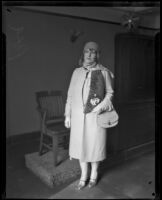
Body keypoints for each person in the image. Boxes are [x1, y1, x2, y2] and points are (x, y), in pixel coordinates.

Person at [64, 41, 114, 190]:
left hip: (95, 117)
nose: (89, 55)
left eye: (93, 52)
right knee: (80, 147)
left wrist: (100, 106)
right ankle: (83, 175)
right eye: (87, 51)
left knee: (94, 147)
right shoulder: (76, 72)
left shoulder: (103, 72)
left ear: (97, 55)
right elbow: (70, 95)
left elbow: (110, 93)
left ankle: (93, 175)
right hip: (78, 118)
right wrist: (68, 115)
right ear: (83, 53)